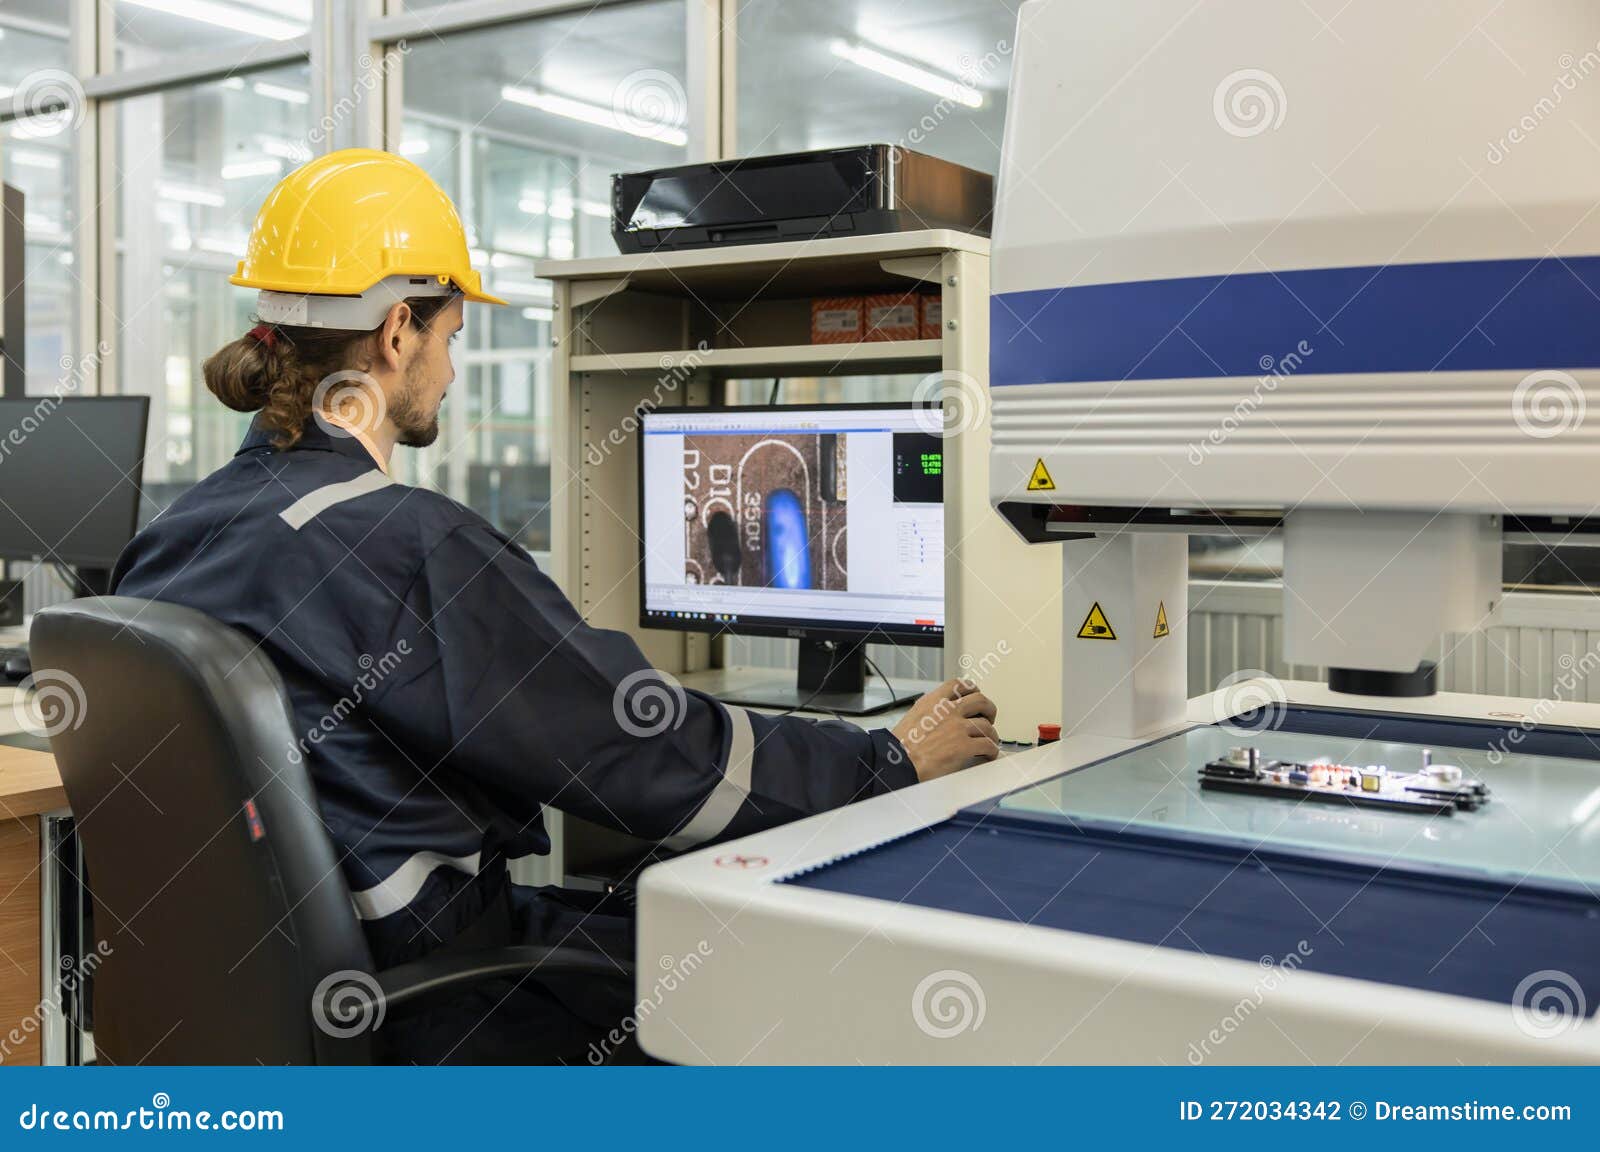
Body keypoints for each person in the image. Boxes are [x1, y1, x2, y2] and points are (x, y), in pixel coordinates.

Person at [111, 149, 1000, 1064]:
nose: (451, 372)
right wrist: (886, 763)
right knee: (786, 971)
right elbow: (645, 748)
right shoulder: (407, 543)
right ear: (396, 331)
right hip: (443, 1004)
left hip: (292, 999)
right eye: (451, 339)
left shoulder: (178, 533)